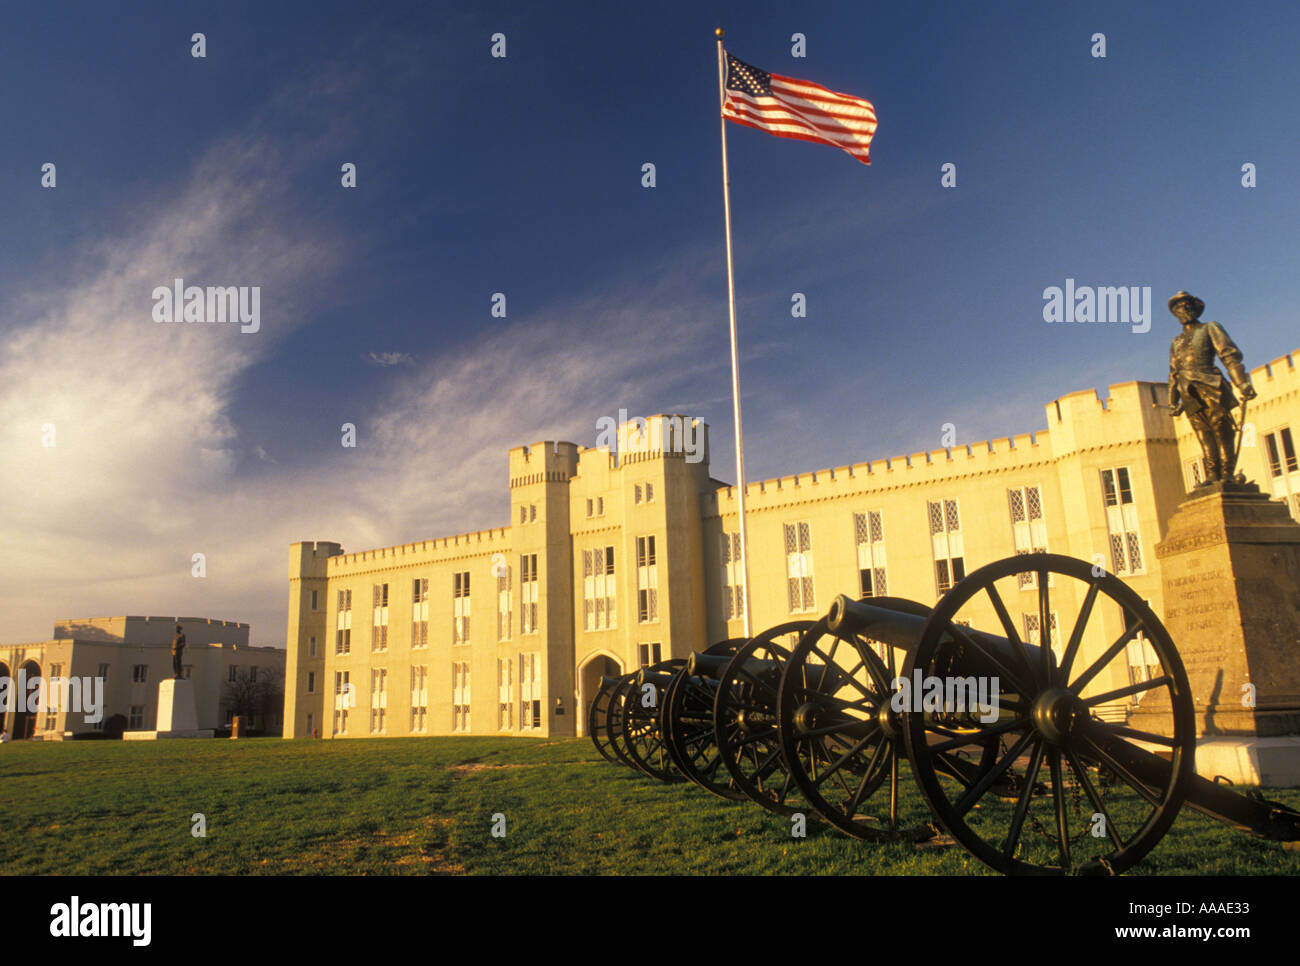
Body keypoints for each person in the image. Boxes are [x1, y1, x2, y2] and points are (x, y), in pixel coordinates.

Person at [1167, 291, 1257, 484]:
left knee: (1221, 429)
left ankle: (1227, 474)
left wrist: (1241, 382)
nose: (1184, 310)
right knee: (1203, 434)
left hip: (1211, 384)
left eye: (1187, 305)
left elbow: (1229, 355)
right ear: (1175, 314)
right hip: (1188, 392)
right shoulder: (1176, 342)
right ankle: (1212, 474)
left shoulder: (1210, 328)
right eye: (1179, 307)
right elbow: (1174, 373)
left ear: (1195, 308)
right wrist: (1172, 401)